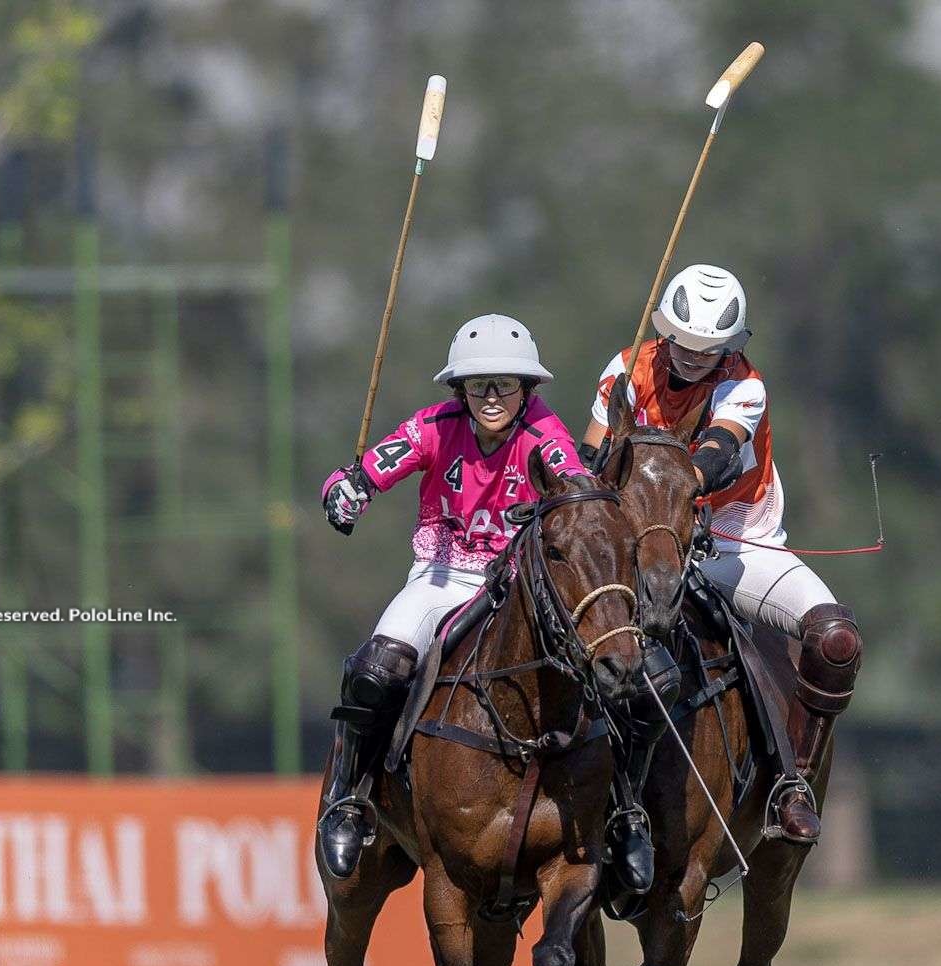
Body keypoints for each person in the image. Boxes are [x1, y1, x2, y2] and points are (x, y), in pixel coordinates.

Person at [580, 264, 862, 845]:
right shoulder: (626, 369)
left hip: (735, 541)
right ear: (665, 332)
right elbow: (590, 457)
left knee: (836, 640)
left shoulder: (745, 387)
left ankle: (793, 785)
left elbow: (713, 456)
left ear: (729, 349)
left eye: (706, 350)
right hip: (640, 544)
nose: (690, 358)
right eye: (682, 344)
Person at [317, 314, 585, 879]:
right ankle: (348, 799)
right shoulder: (434, 426)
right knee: (374, 669)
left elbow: (575, 489)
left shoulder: (548, 438)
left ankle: (623, 815)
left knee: (610, 671)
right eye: (477, 384)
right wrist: (346, 492)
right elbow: (371, 469)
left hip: (521, 586)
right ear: (459, 389)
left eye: (504, 384)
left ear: (527, 389)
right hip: (441, 577)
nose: (491, 397)